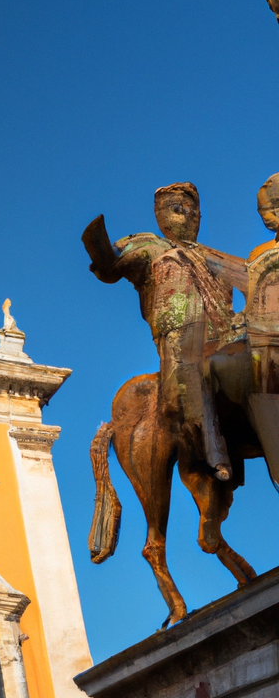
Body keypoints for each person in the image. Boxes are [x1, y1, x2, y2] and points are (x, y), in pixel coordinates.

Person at [83, 183, 246, 480]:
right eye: (173, 210)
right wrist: (104, 255)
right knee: (192, 378)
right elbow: (116, 263)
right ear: (159, 217)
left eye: (191, 211)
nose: (183, 217)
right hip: (181, 343)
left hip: (229, 341)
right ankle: (212, 452)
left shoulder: (217, 259)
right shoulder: (150, 246)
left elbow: (258, 283)